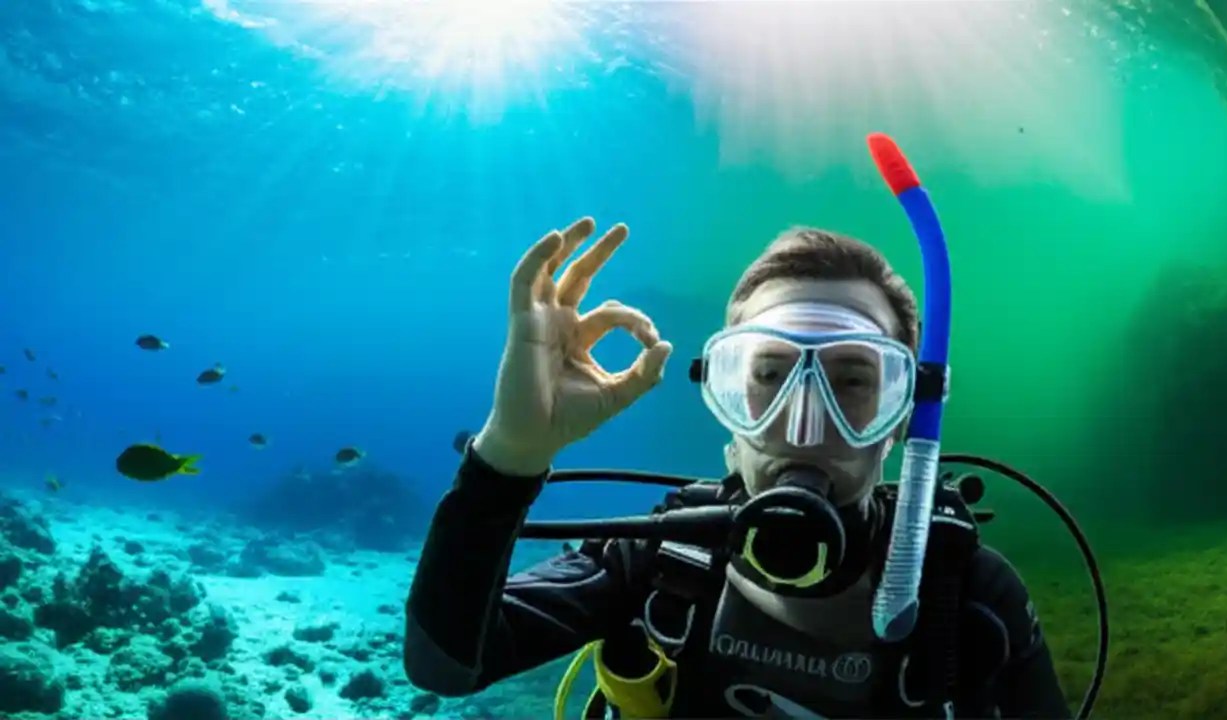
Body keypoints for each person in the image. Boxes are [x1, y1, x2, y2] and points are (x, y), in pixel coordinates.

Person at [403, 216, 1072, 718]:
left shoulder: (965, 594)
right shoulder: (663, 558)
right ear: (726, 400)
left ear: (903, 417)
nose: (804, 425)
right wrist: (512, 453)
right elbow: (445, 661)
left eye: (852, 381)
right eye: (770, 374)